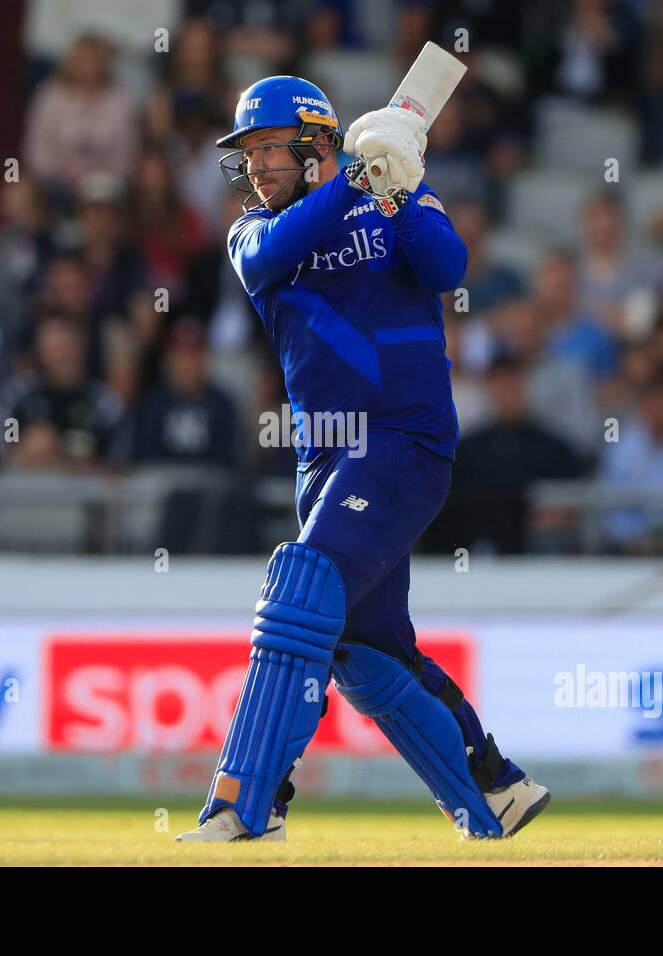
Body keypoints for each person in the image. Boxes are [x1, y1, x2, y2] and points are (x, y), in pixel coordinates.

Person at [177, 76, 550, 844]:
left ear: (315, 144)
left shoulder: (395, 194)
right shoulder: (252, 231)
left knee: (303, 586)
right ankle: (493, 787)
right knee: (364, 647)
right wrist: (353, 177)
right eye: (246, 155)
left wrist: (400, 192)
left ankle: (248, 805)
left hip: (403, 440)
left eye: (268, 150)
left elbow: (448, 269)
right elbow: (267, 260)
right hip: (325, 461)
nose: (254, 169)